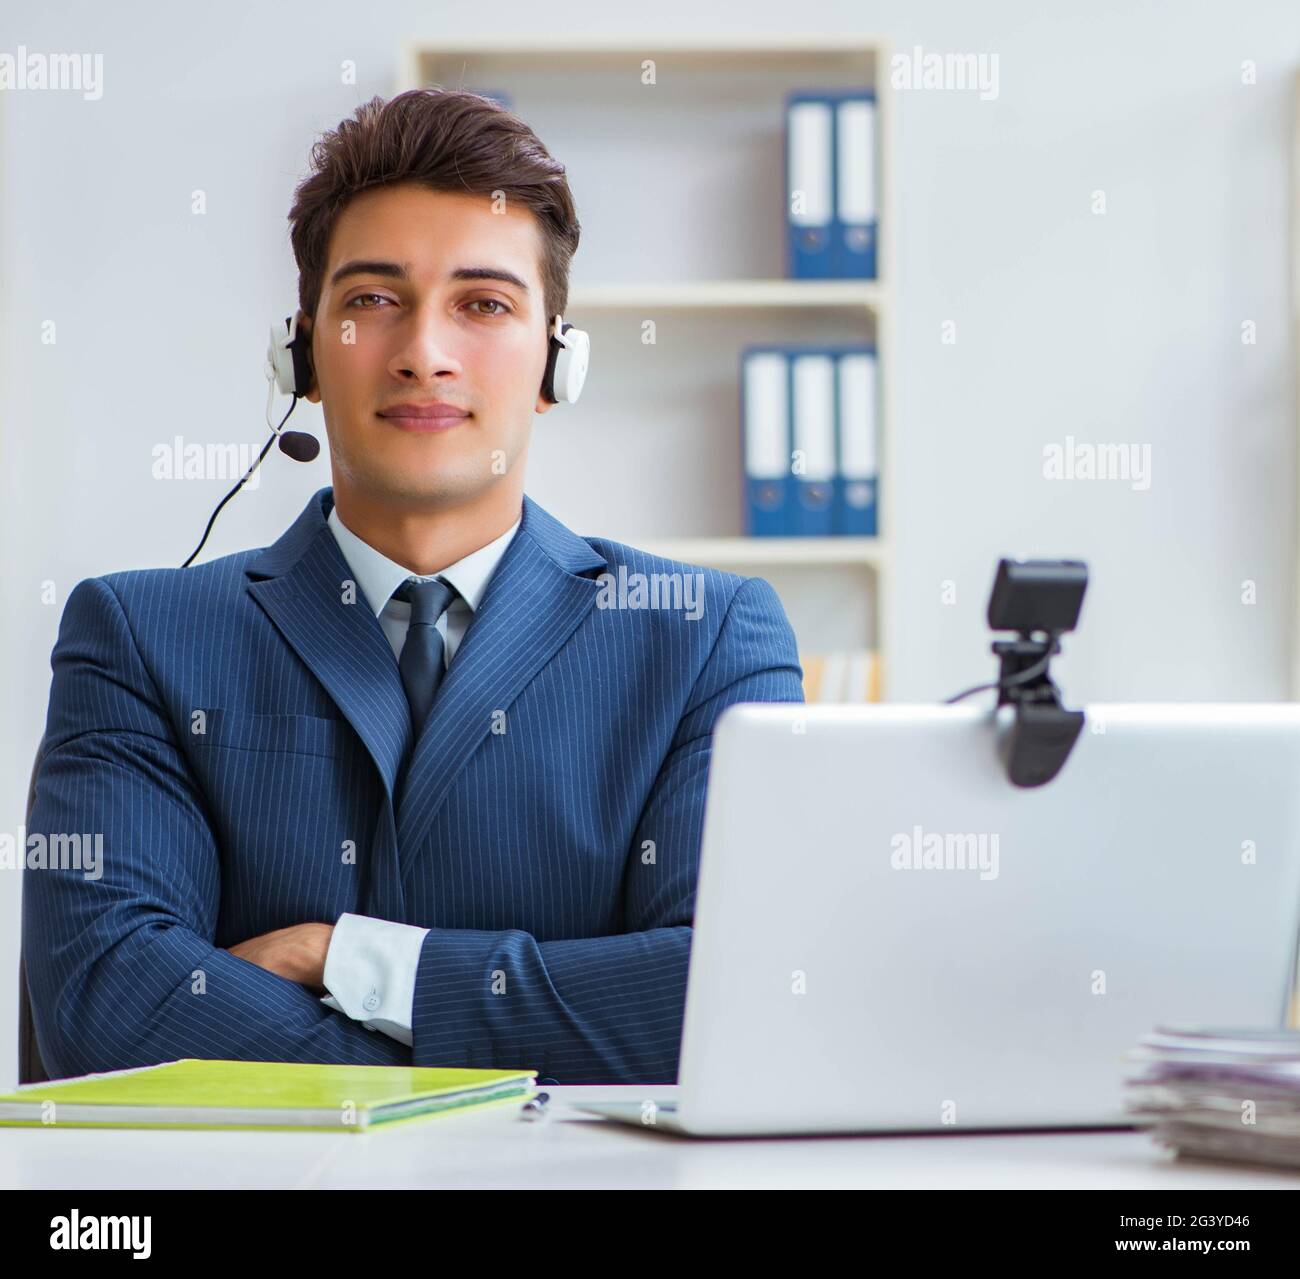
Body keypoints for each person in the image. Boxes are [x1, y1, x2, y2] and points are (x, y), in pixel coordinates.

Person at [22, 89, 804, 1085]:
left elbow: (735, 998)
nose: (424, 353)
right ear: (302, 354)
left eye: (483, 304)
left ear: (557, 361)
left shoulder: (706, 641)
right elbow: (110, 1005)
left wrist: (357, 961)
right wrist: (518, 1042)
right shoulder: (138, 637)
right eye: (373, 301)